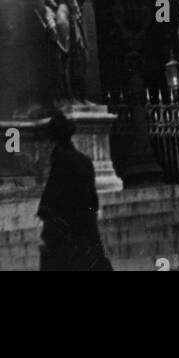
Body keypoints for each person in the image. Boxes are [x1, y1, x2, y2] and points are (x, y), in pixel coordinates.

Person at [37, 111, 113, 271]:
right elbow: (93, 202)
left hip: (66, 237)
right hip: (86, 231)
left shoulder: (60, 161)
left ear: (53, 139)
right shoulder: (84, 161)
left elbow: (51, 202)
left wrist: (47, 231)